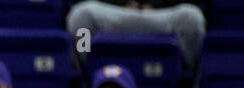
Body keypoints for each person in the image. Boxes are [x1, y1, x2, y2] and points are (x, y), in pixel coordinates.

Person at [66, 1, 206, 72]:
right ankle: (84, 72)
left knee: (192, 17)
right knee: (81, 16)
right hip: (114, 12)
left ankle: (187, 74)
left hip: (163, 13)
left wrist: (154, 4)